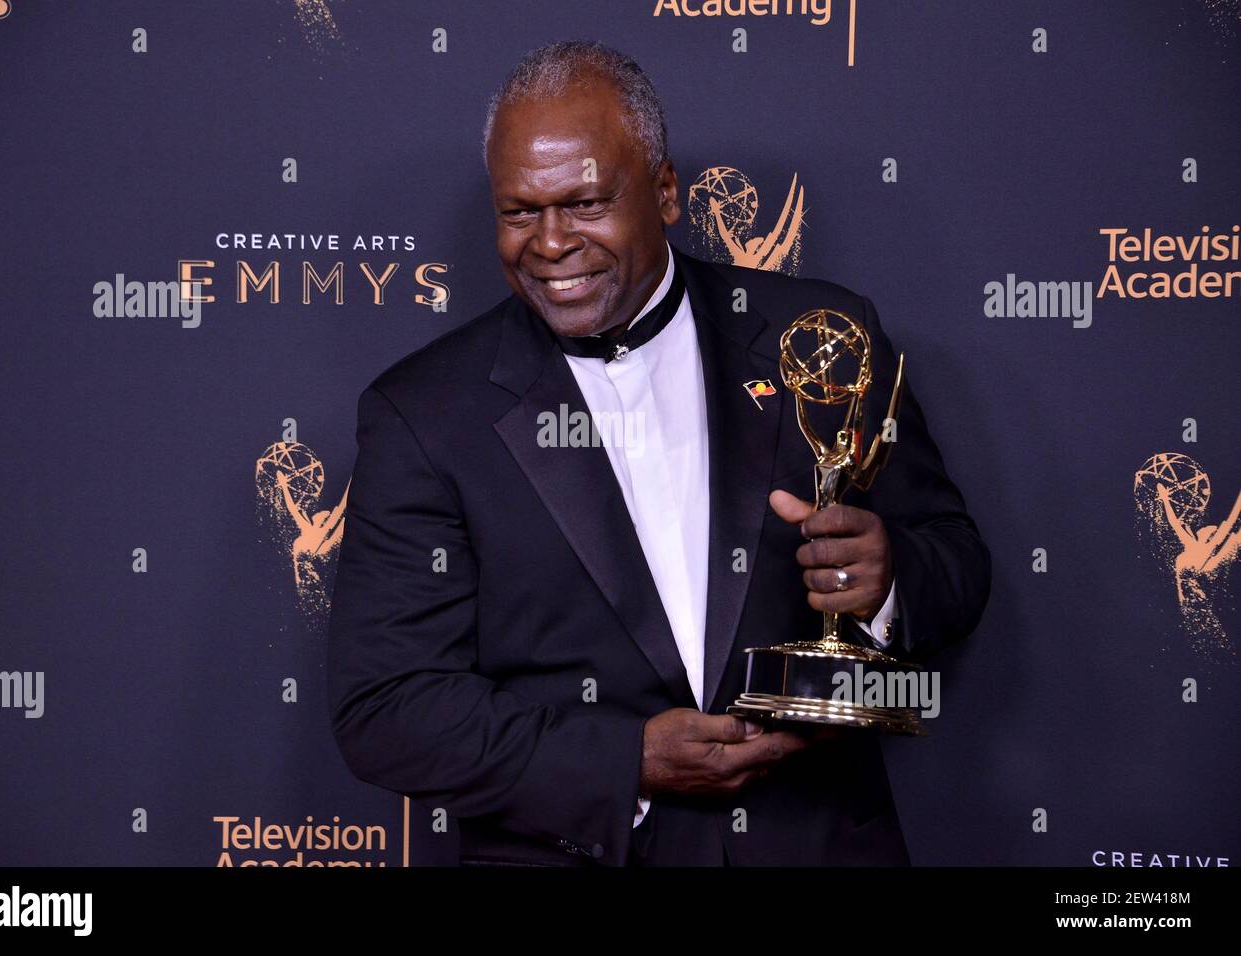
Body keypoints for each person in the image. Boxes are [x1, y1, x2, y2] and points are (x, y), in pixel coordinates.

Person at [327, 39, 991, 866]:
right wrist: (625, 763)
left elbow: (955, 561)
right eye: (519, 212)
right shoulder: (425, 413)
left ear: (666, 192)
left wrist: (888, 583)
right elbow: (386, 709)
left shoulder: (820, 337)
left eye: (586, 203)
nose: (550, 243)